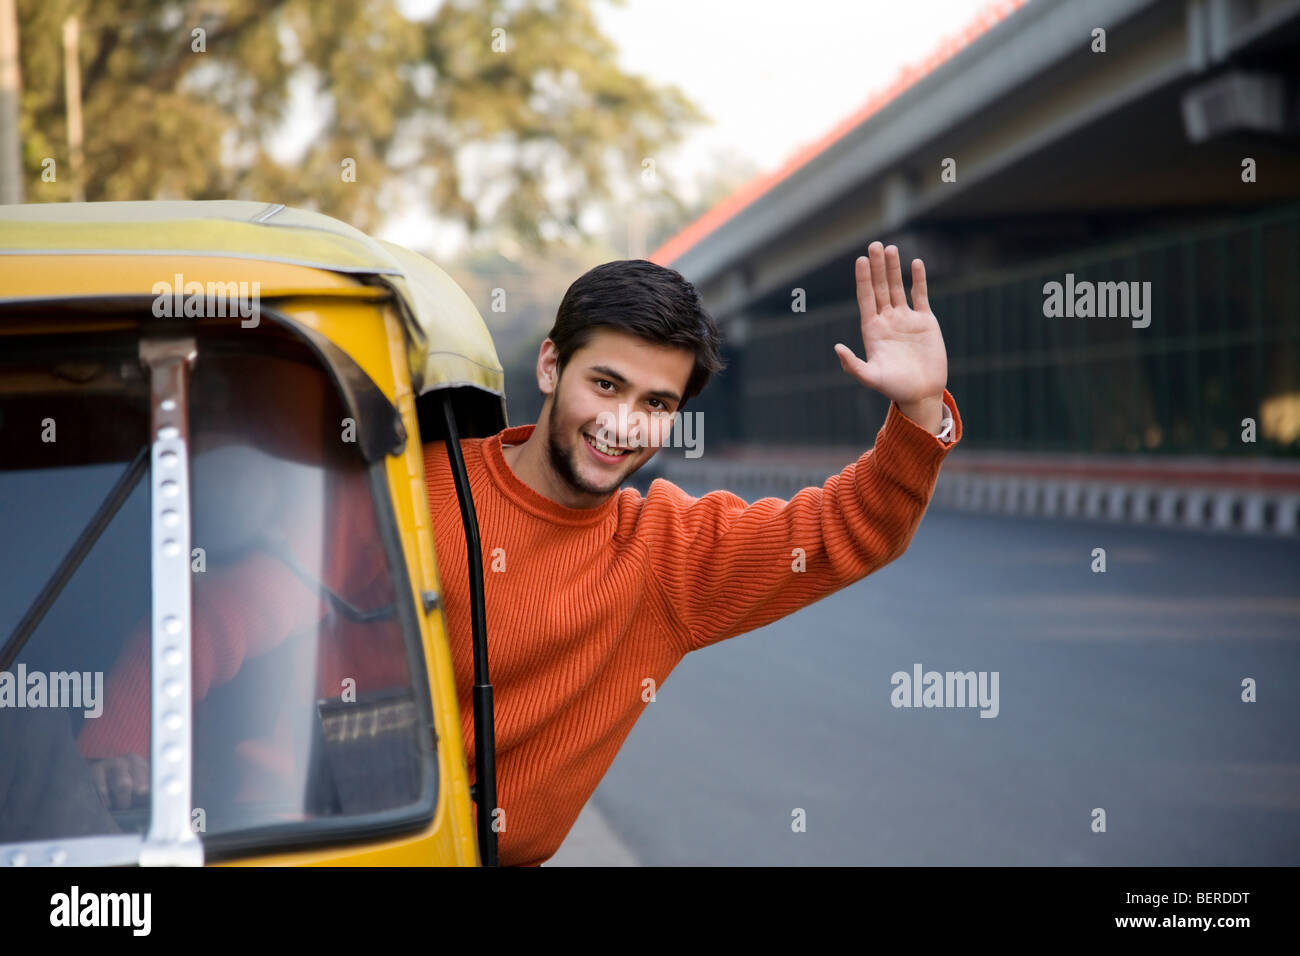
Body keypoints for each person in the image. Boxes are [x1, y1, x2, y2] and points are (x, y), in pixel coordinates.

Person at [422, 241, 962, 866]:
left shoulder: (665, 553)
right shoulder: (414, 489)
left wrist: (918, 406)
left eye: (656, 404)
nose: (624, 423)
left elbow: (854, 527)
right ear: (551, 367)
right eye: (605, 384)